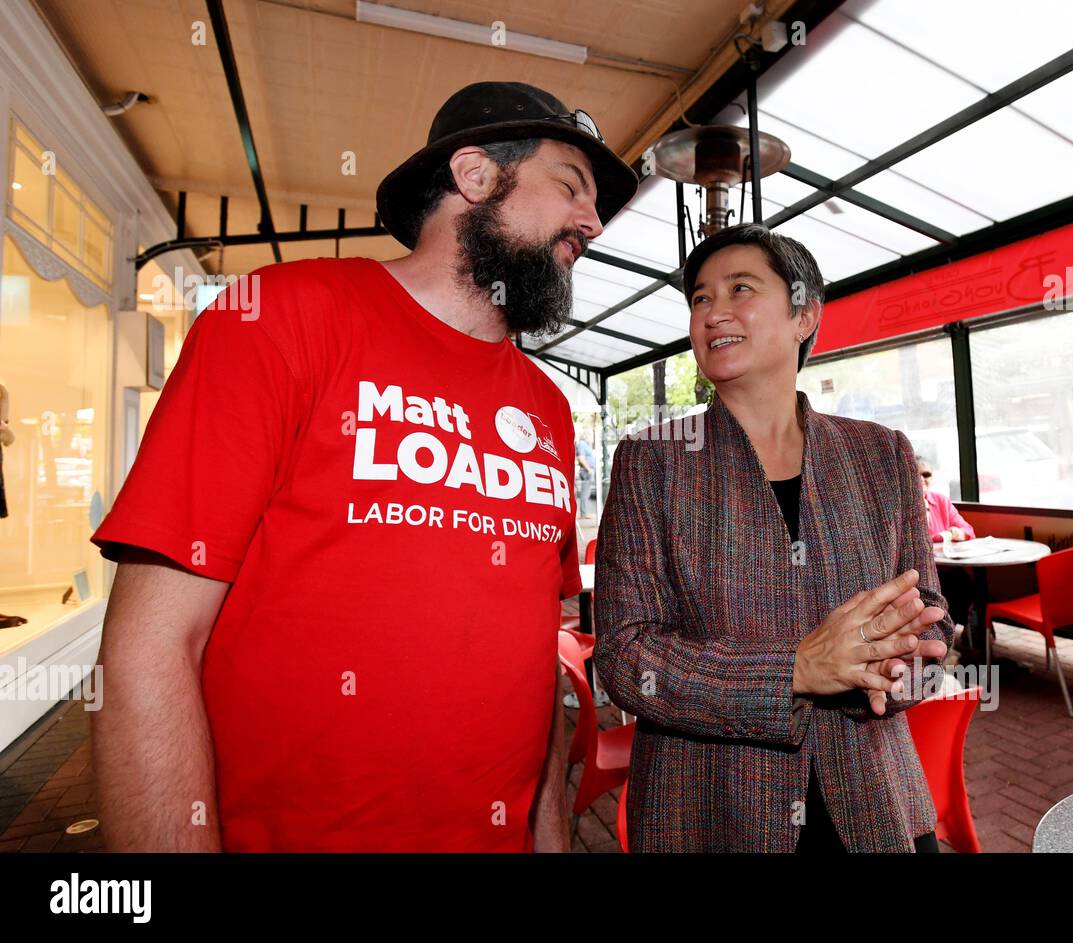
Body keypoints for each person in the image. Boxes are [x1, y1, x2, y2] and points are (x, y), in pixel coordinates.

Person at [88, 82, 638, 851]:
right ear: (475, 175)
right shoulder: (279, 316)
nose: (593, 221)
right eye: (572, 188)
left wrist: (546, 836)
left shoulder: (546, 405)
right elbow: (148, 645)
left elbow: (534, 657)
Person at [593, 224, 953, 853]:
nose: (714, 312)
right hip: (709, 810)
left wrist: (894, 674)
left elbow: (932, 623)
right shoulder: (654, 460)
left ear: (804, 314)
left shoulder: (879, 454)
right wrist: (797, 671)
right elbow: (626, 657)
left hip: (874, 803)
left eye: (740, 289)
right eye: (700, 298)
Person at [919, 458, 976, 647]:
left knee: (970, 587)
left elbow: (968, 530)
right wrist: (941, 536)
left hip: (948, 569)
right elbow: (918, 542)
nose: (922, 479)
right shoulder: (905, 506)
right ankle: (946, 643)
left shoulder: (941, 501)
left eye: (926, 474)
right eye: (916, 474)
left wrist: (957, 532)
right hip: (921, 574)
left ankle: (975, 640)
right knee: (948, 591)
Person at [575, 429, 596, 518]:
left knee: (586, 493)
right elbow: (581, 458)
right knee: (585, 493)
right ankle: (584, 513)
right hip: (586, 471)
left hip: (587, 470)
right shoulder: (582, 444)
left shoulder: (584, 444)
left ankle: (584, 513)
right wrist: (589, 469)